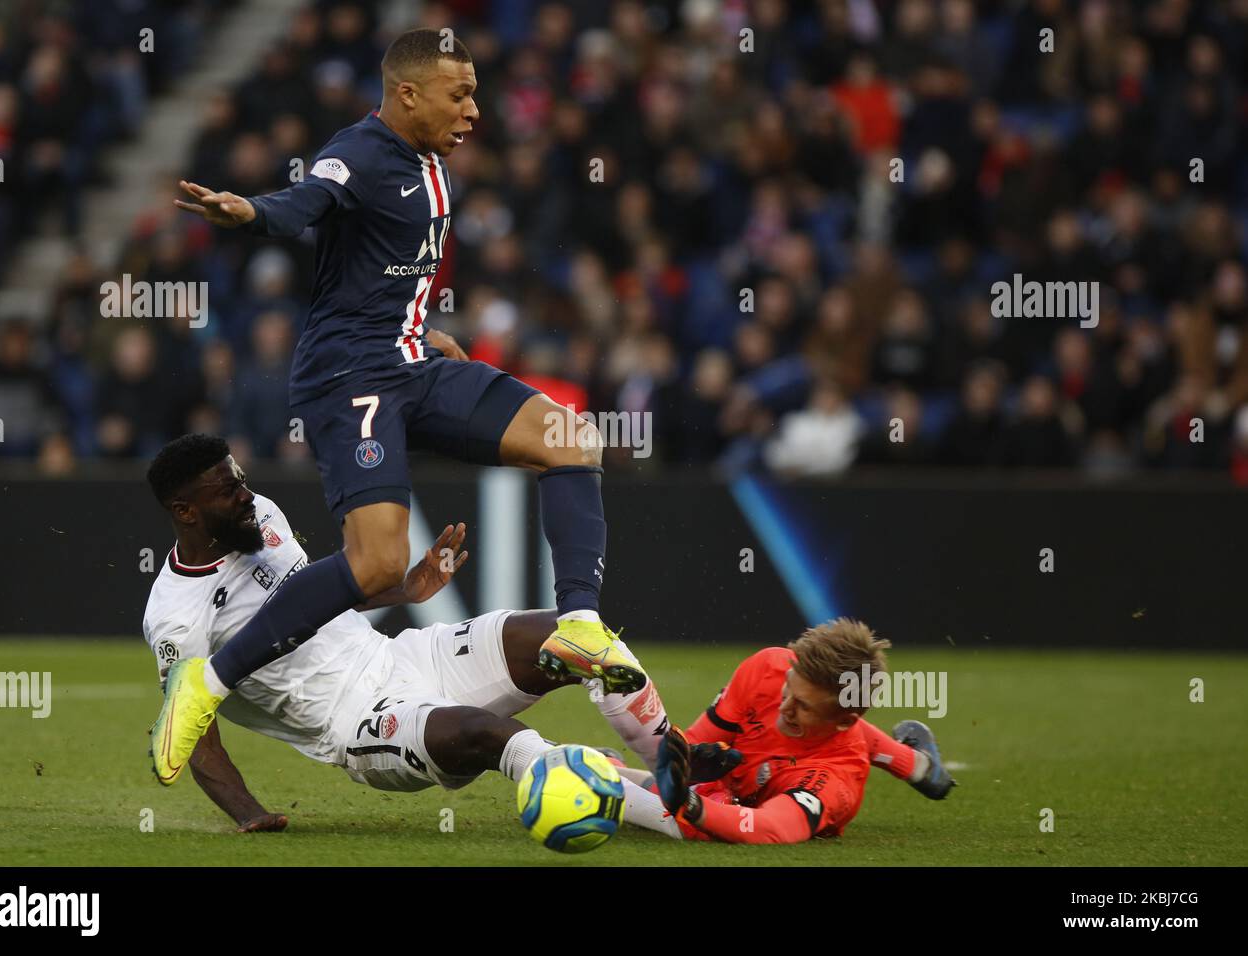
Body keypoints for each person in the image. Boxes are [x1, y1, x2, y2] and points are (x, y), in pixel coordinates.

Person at [154, 29, 642, 785]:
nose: (475, 111)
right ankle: (206, 683)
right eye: (460, 94)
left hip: (409, 357)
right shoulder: (361, 151)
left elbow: (379, 270)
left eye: (475, 93)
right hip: (349, 376)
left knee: (571, 438)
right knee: (378, 565)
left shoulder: (430, 162)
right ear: (407, 93)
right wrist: (252, 213)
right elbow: (307, 201)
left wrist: (420, 328)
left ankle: (578, 620)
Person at [142, 434, 685, 835]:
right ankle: (676, 817)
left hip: (399, 654)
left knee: (567, 636)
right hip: (353, 721)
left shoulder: (261, 514)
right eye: (226, 490)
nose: (244, 494)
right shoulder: (175, 616)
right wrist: (249, 813)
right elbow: (193, 730)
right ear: (185, 511)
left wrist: (402, 591)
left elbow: (312, 599)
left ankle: (678, 766)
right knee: (485, 732)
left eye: (240, 478)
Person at [629, 619, 957, 843]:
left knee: (702, 812)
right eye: (788, 689)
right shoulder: (769, 668)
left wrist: (688, 801)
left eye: (803, 705)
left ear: (845, 719)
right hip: (747, 776)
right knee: (684, 786)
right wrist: (689, 761)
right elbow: (693, 741)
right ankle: (919, 766)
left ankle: (918, 764)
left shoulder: (834, 781)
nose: (783, 708)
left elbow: (773, 828)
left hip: (790, 774)